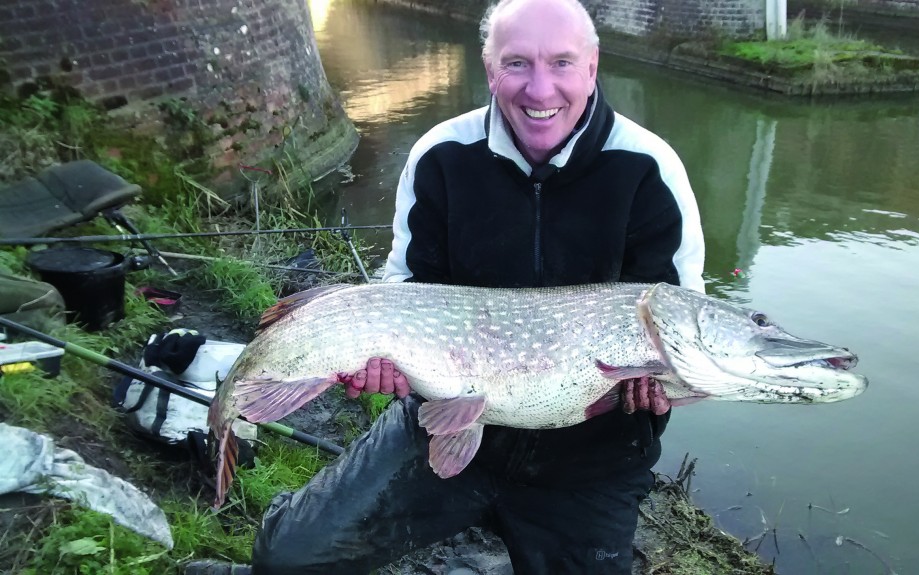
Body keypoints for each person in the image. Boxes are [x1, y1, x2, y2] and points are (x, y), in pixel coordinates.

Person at [187, 0, 703, 573]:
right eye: (517, 63)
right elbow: (404, 293)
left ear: (592, 66)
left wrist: (654, 390)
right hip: (442, 416)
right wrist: (386, 369)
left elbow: (675, 313)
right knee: (286, 559)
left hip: (588, 464)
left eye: (561, 62)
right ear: (489, 69)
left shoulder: (650, 169)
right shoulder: (441, 155)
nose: (540, 89)